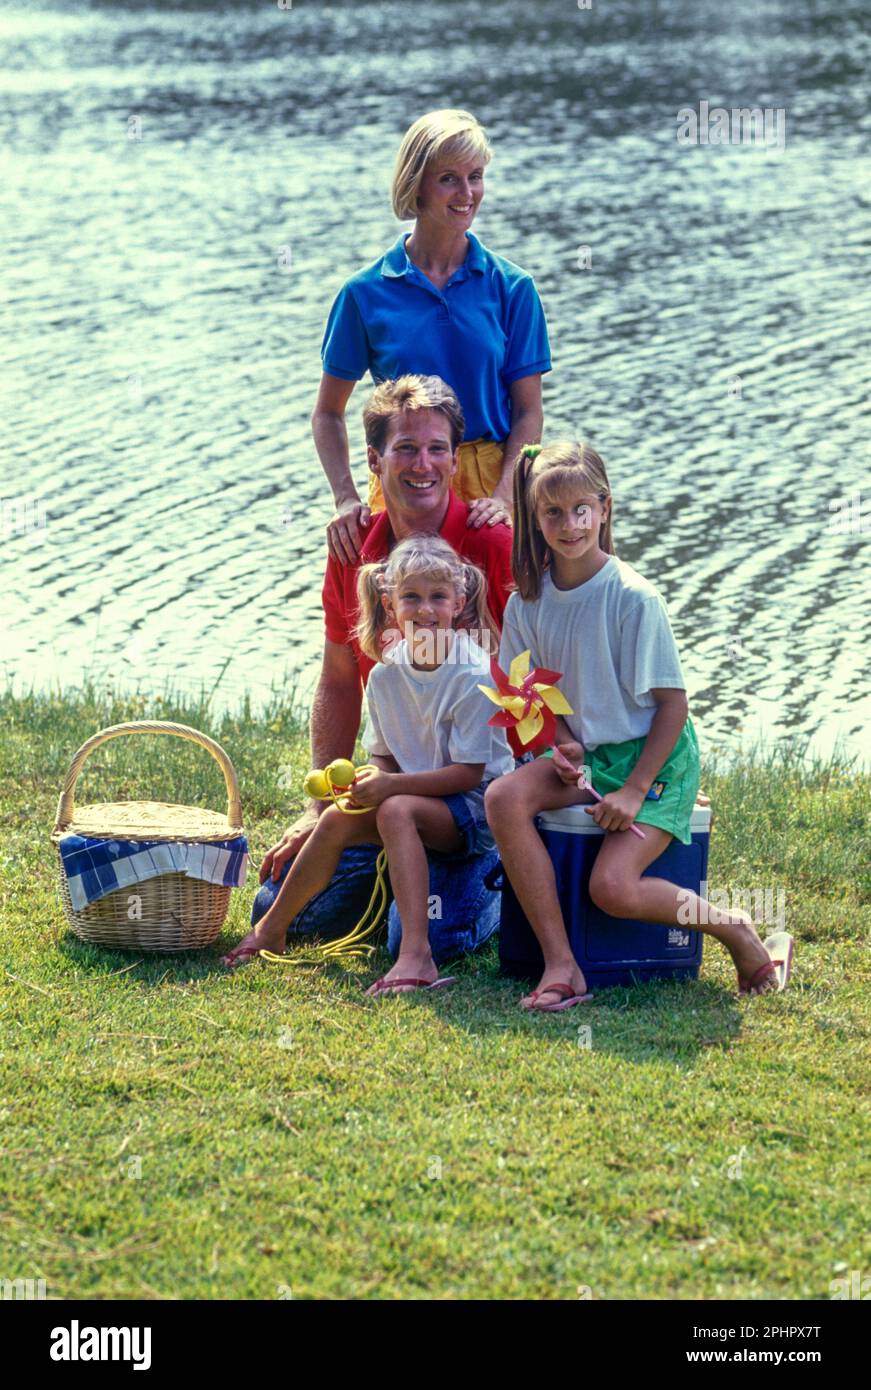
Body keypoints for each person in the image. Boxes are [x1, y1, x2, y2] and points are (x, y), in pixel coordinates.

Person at [484, 443, 795, 1011]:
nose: (570, 524)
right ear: (533, 517)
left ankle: (733, 926)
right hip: (592, 760)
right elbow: (526, 695)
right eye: (552, 512)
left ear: (604, 508)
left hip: (657, 757)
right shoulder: (527, 603)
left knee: (613, 888)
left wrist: (633, 789)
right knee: (503, 796)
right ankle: (561, 964)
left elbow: (673, 708)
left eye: (582, 508)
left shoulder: (632, 597)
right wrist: (561, 742)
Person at [238, 374, 515, 954]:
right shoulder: (353, 549)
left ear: (455, 457)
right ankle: (391, 880)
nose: (424, 464)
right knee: (279, 902)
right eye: (406, 448)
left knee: (445, 934)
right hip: (396, 791)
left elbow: (538, 680)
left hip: (475, 802)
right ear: (375, 458)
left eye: (439, 448)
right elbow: (340, 683)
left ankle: (495, 884)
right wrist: (323, 808)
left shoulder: (493, 542)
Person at [222, 538, 513, 990]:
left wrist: (391, 788)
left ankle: (418, 956)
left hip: (475, 811)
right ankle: (269, 931)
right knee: (339, 816)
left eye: (438, 597)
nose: (425, 609)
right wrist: (372, 776)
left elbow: (468, 775)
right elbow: (387, 756)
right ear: (389, 603)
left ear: (458, 602)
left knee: (397, 812)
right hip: (417, 804)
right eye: (411, 597)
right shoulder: (385, 675)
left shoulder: (473, 674)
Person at [313, 108, 551, 565]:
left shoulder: (513, 288)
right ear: (416, 184)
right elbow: (327, 413)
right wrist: (345, 499)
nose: (467, 194)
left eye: (476, 177)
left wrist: (504, 497)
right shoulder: (364, 293)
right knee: (399, 630)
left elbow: (528, 412)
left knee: (499, 629)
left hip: (489, 493)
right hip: (404, 483)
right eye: (449, 179)